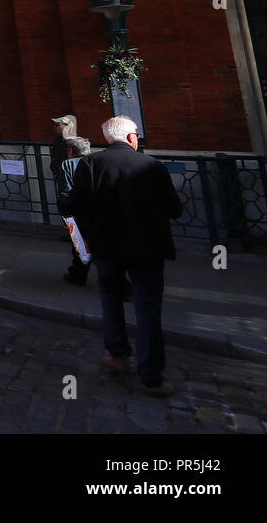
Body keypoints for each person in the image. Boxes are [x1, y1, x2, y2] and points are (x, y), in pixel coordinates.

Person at [67, 116, 183, 397]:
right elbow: (174, 209)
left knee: (110, 299)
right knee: (147, 308)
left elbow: (75, 204)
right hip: (147, 248)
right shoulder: (152, 166)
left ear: (107, 138)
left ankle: (118, 354)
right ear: (132, 138)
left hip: (107, 247)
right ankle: (151, 376)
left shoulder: (90, 164)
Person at [56, 136, 93, 285]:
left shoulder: (68, 164)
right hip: (98, 210)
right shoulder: (96, 161)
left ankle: (78, 275)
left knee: (80, 245)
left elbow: (65, 191)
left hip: (78, 211)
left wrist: (66, 214)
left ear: (71, 151)